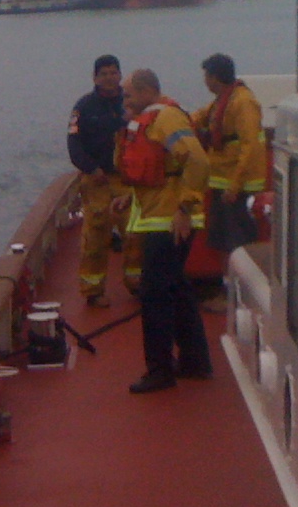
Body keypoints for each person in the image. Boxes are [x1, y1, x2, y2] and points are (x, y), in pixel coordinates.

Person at [113, 69, 212, 394]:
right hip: (157, 216)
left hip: (169, 221)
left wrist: (185, 209)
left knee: (155, 294)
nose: (124, 101)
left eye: (128, 95)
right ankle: (195, 362)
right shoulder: (149, 121)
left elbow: (197, 161)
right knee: (177, 289)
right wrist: (130, 195)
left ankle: (160, 370)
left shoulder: (166, 119)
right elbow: (159, 169)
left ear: (144, 92)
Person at [193, 53, 267, 311]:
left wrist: (235, 185)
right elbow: (198, 118)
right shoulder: (220, 103)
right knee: (224, 241)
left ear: (214, 77)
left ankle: (239, 298)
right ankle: (230, 293)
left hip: (238, 187)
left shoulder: (243, 103)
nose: (205, 80)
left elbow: (250, 146)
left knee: (237, 243)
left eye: (206, 75)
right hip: (223, 183)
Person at [66, 53, 129, 307]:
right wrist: (91, 168)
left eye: (114, 72)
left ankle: (138, 283)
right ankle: (92, 290)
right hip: (96, 180)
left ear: (120, 75)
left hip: (127, 180)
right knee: (96, 232)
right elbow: (73, 144)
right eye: (103, 73)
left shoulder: (131, 102)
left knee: (134, 232)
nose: (109, 77)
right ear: (95, 77)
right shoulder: (82, 108)